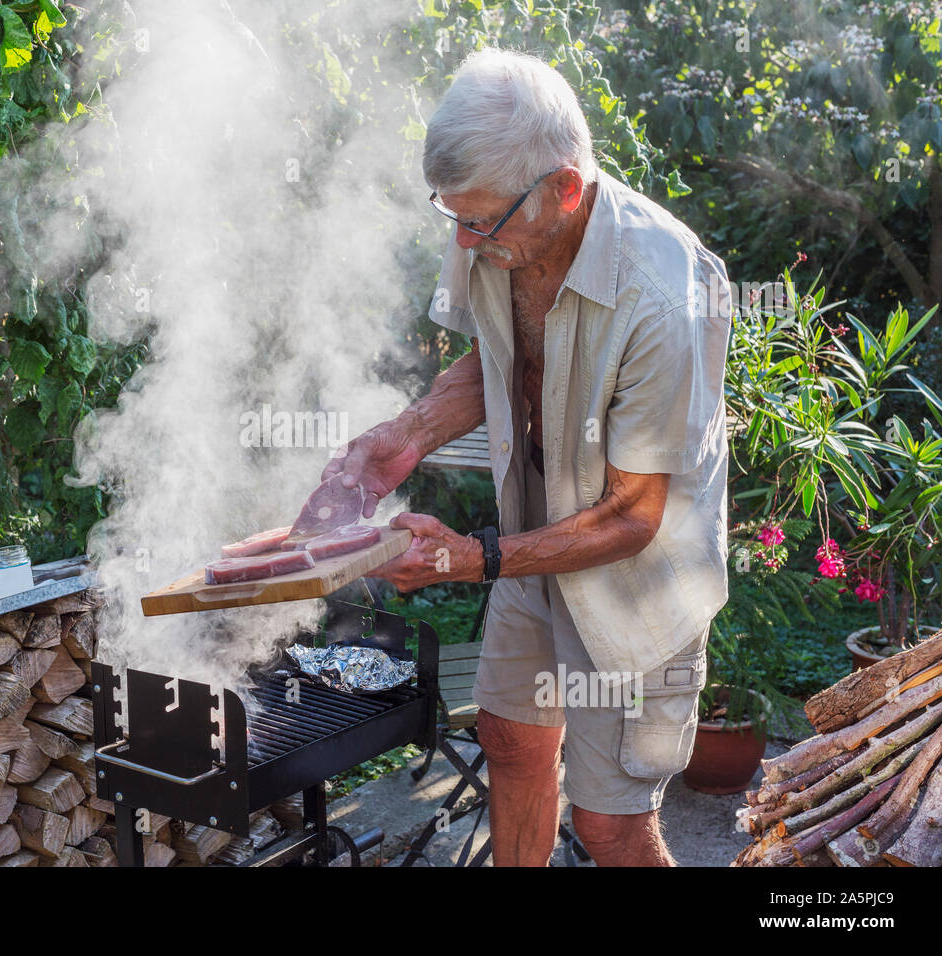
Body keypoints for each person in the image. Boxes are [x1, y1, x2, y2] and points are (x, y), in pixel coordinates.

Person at [324, 48, 731, 866]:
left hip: (634, 578)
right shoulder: (494, 217)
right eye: (453, 217)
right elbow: (497, 355)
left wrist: (470, 558)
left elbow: (633, 517)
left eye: (479, 222)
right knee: (510, 744)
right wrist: (406, 434)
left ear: (566, 190)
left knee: (610, 825)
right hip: (531, 536)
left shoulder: (664, 294)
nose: (463, 238)